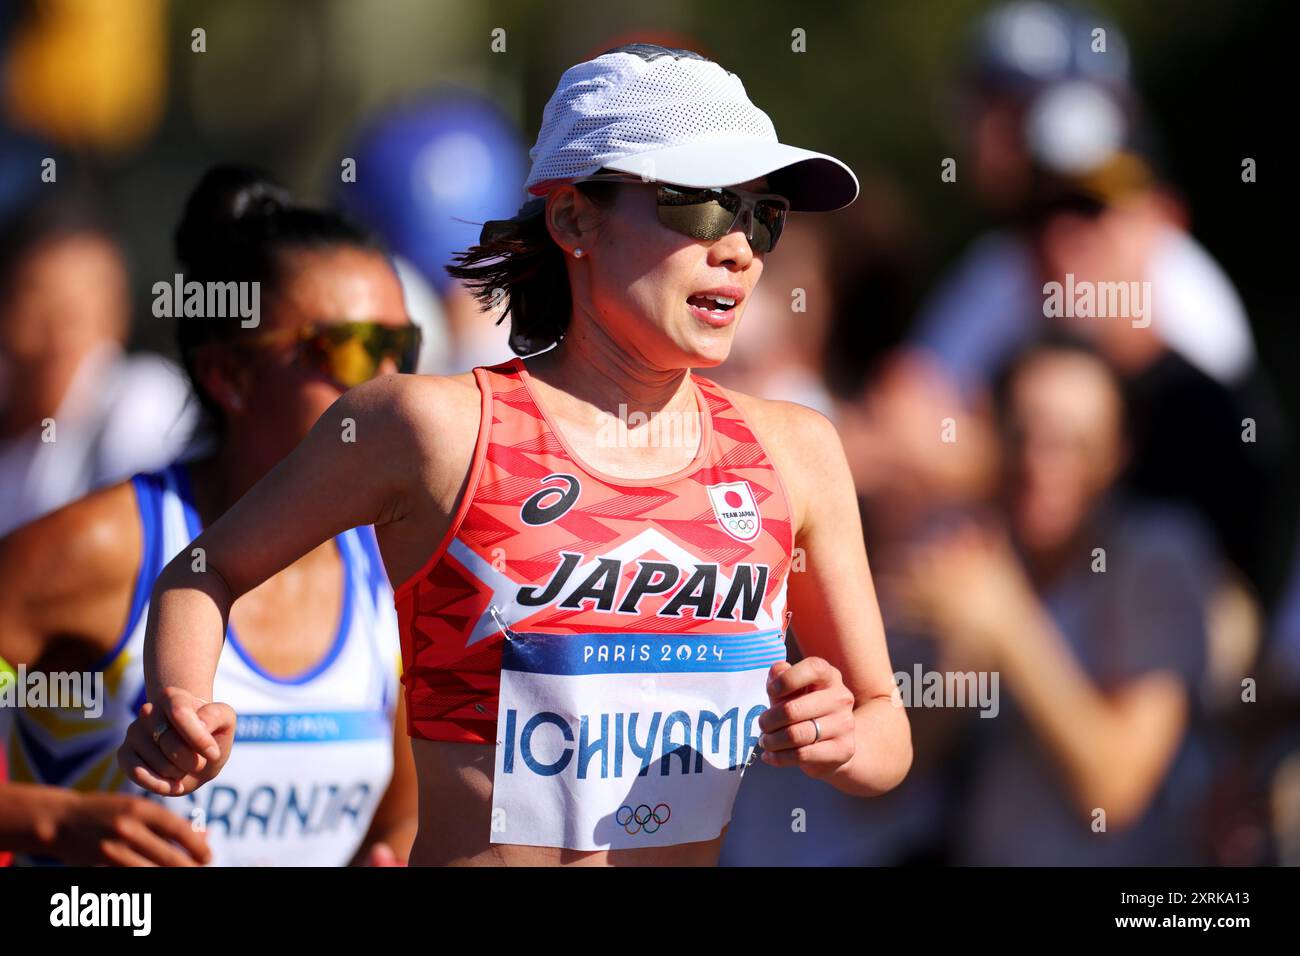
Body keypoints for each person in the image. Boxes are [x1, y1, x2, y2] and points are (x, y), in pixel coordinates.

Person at [117, 43, 912, 867]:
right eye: (701, 205)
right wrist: (181, 702)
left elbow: (886, 722)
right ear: (573, 218)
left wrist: (841, 738)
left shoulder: (798, 451)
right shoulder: (431, 428)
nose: (741, 248)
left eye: (762, 215)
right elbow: (202, 569)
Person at [0, 166, 418, 866]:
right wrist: (54, 822)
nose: (389, 386)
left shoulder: (389, 561)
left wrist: (392, 854)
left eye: (401, 351)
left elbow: (398, 822)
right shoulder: (109, 546)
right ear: (229, 375)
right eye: (348, 349)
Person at [897, 337, 1215, 864]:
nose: (1043, 463)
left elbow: (1114, 791)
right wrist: (962, 665)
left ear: (1118, 452)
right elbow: (890, 778)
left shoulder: (1158, 557)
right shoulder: (964, 549)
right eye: (1024, 433)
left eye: (1078, 442)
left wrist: (1010, 630)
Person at [0, 194, 195, 537]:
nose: (59, 337)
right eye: (37, 304)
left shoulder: (142, 400)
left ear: (119, 316)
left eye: (79, 314)